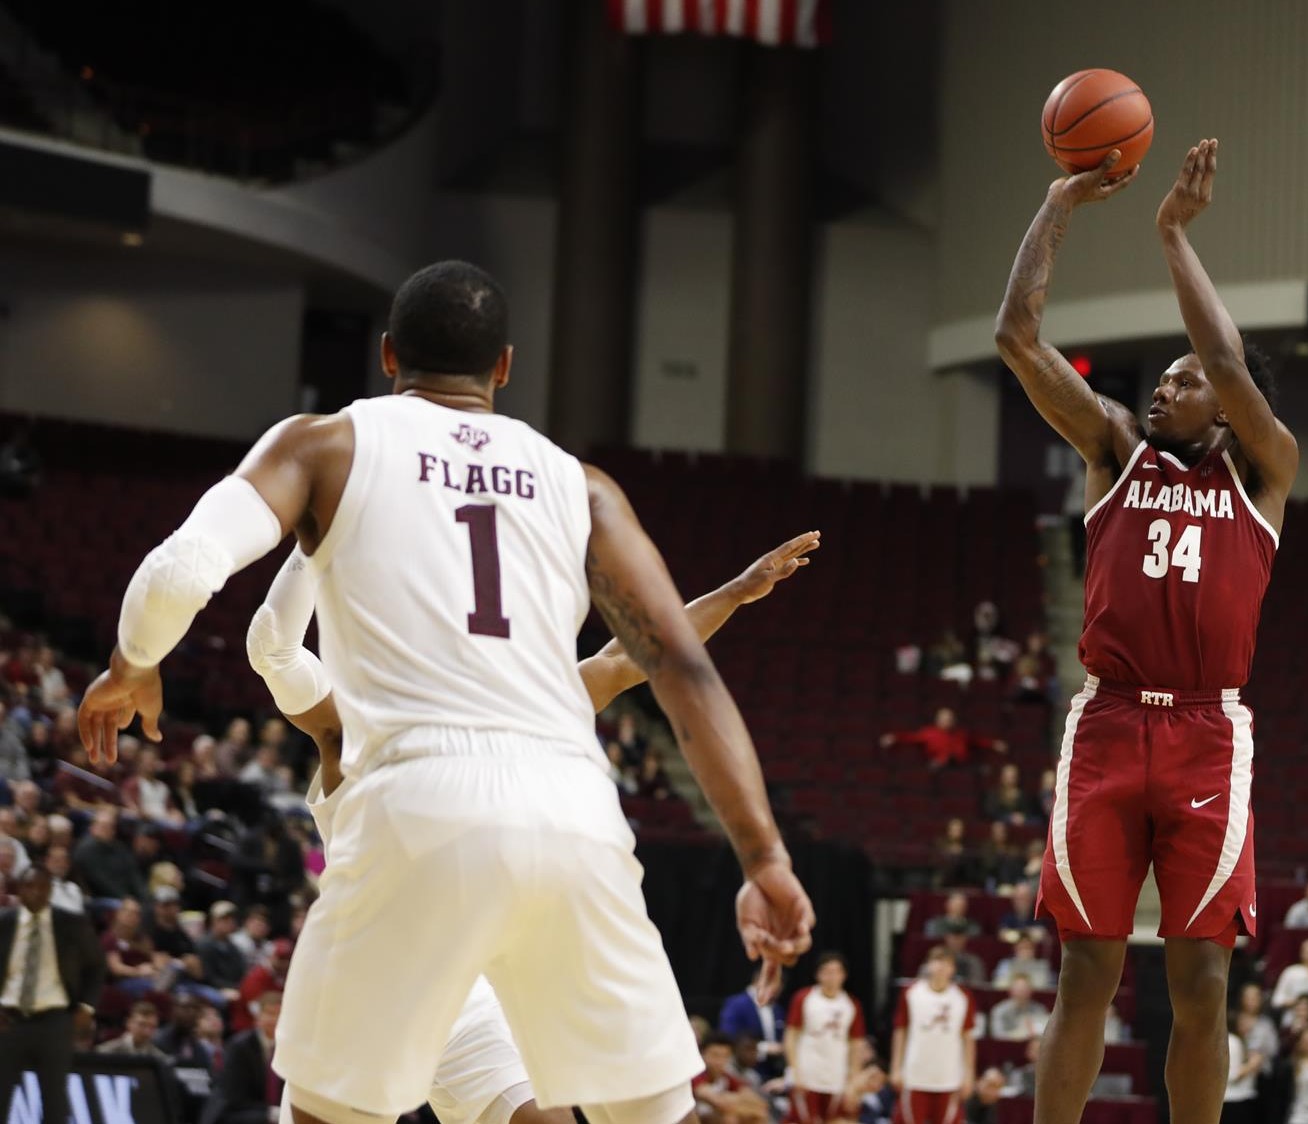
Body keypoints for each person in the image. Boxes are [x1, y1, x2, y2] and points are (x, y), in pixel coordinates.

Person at [77, 260, 818, 1124]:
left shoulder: (325, 444)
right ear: (504, 366)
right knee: (655, 1116)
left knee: (327, 1113)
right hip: (572, 807)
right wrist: (764, 857)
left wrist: (133, 663)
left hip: (418, 804)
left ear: (387, 355)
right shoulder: (583, 485)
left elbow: (183, 568)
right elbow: (680, 672)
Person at [248, 520, 819, 1124]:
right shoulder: (354, 723)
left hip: (470, 981)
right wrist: (313, 546)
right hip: (372, 976)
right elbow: (273, 648)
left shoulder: (512, 708)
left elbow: (628, 658)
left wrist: (733, 592)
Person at [994, 138, 1297, 1124]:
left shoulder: (1263, 469)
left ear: (1228, 408)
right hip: (1111, 724)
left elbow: (1222, 356)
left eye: (1182, 380)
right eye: (1159, 378)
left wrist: (1171, 235)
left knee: (1200, 978)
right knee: (1087, 965)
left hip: (1209, 729)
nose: (1165, 387)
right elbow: (1015, 336)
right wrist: (1057, 202)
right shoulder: (1115, 447)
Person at [0, 865, 106, 1124]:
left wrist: (86, 1007)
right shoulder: (4, 923)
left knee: (55, 1100)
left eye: (42, 887)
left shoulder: (71, 923)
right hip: (8, 1021)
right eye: (30, 886)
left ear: (50, 891)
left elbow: (96, 965)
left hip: (55, 1021)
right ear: (19, 890)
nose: (36, 893)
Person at [890, 948, 976, 1124]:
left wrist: (968, 1075)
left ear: (953, 969)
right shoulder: (912, 993)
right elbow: (901, 1031)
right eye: (937, 961)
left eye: (946, 963)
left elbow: (968, 1038)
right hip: (915, 1075)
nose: (941, 967)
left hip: (949, 1077)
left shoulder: (962, 997)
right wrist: (896, 1067)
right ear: (928, 965)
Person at [785, 953, 865, 1124]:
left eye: (836, 972)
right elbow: (791, 1036)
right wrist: (794, 1070)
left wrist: (853, 1079)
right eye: (827, 971)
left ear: (844, 975)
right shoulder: (804, 998)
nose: (832, 976)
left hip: (836, 1076)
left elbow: (856, 1044)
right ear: (818, 974)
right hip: (808, 1074)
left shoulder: (851, 1004)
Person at [206, 993, 286, 1124]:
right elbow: (232, 1097)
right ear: (257, 1017)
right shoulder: (239, 1047)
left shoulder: (289, 1048)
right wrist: (269, 1113)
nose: (274, 1019)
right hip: (240, 1113)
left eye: (279, 1014)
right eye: (269, 1013)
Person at [879, 708, 1007, 771]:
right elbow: (910, 737)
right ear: (937, 720)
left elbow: (977, 741)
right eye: (944, 718)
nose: (947, 721)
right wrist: (894, 737)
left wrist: (994, 744)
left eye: (950, 718)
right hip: (939, 767)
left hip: (961, 767)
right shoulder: (929, 732)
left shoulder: (961, 734)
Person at [694, 1035, 768, 1124]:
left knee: (758, 1115)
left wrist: (730, 1099)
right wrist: (739, 1102)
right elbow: (718, 1101)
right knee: (730, 1117)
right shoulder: (696, 1076)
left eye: (725, 1056)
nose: (719, 1061)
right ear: (702, 1054)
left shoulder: (726, 1077)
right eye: (715, 1055)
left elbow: (759, 1103)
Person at [101, 998, 172, 1060]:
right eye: (142, 1025)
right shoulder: (106, 1051)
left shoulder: (160, 1058)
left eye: (152, 1027)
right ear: (129, 1023)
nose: (147, 1032)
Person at [989, 975, 1050, 1042]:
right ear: (1010, 991)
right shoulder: (999, 1010)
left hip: (1034, 1048)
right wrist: (1018, 1035)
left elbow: (1046, 1033)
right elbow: (997, 1035)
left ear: (1031, 991)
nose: (1021, 993)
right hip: (1007, 1048)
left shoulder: (1040, 1010)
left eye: (1024, 989)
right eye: (1018, 989)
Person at [1271, 937, 1308, 1010]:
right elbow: (1277, 999)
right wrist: (1297, 1003)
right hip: (1292, 1013)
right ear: (1301, 953)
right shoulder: (1291, 971)